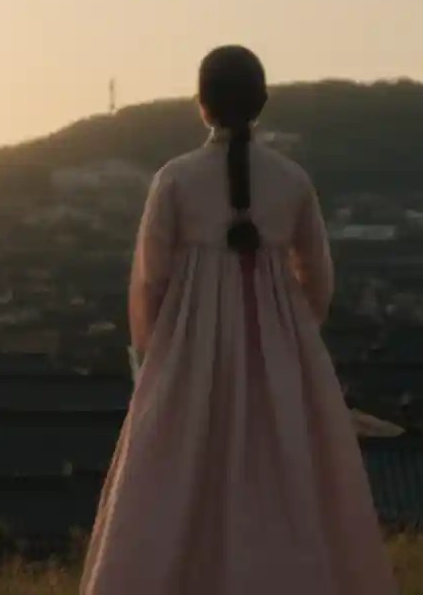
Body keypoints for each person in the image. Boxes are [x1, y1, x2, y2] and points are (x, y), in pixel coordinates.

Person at [81, 46, 397, 594]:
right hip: (281, 346)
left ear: (200, 105)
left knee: (176, 477)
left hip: (187, 347)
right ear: (262, 103)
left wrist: (152, 355)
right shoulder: (292, 180)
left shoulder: (174, 179)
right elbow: (317, 279)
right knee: (285, 476)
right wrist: (293, 335)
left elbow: (149, 279)